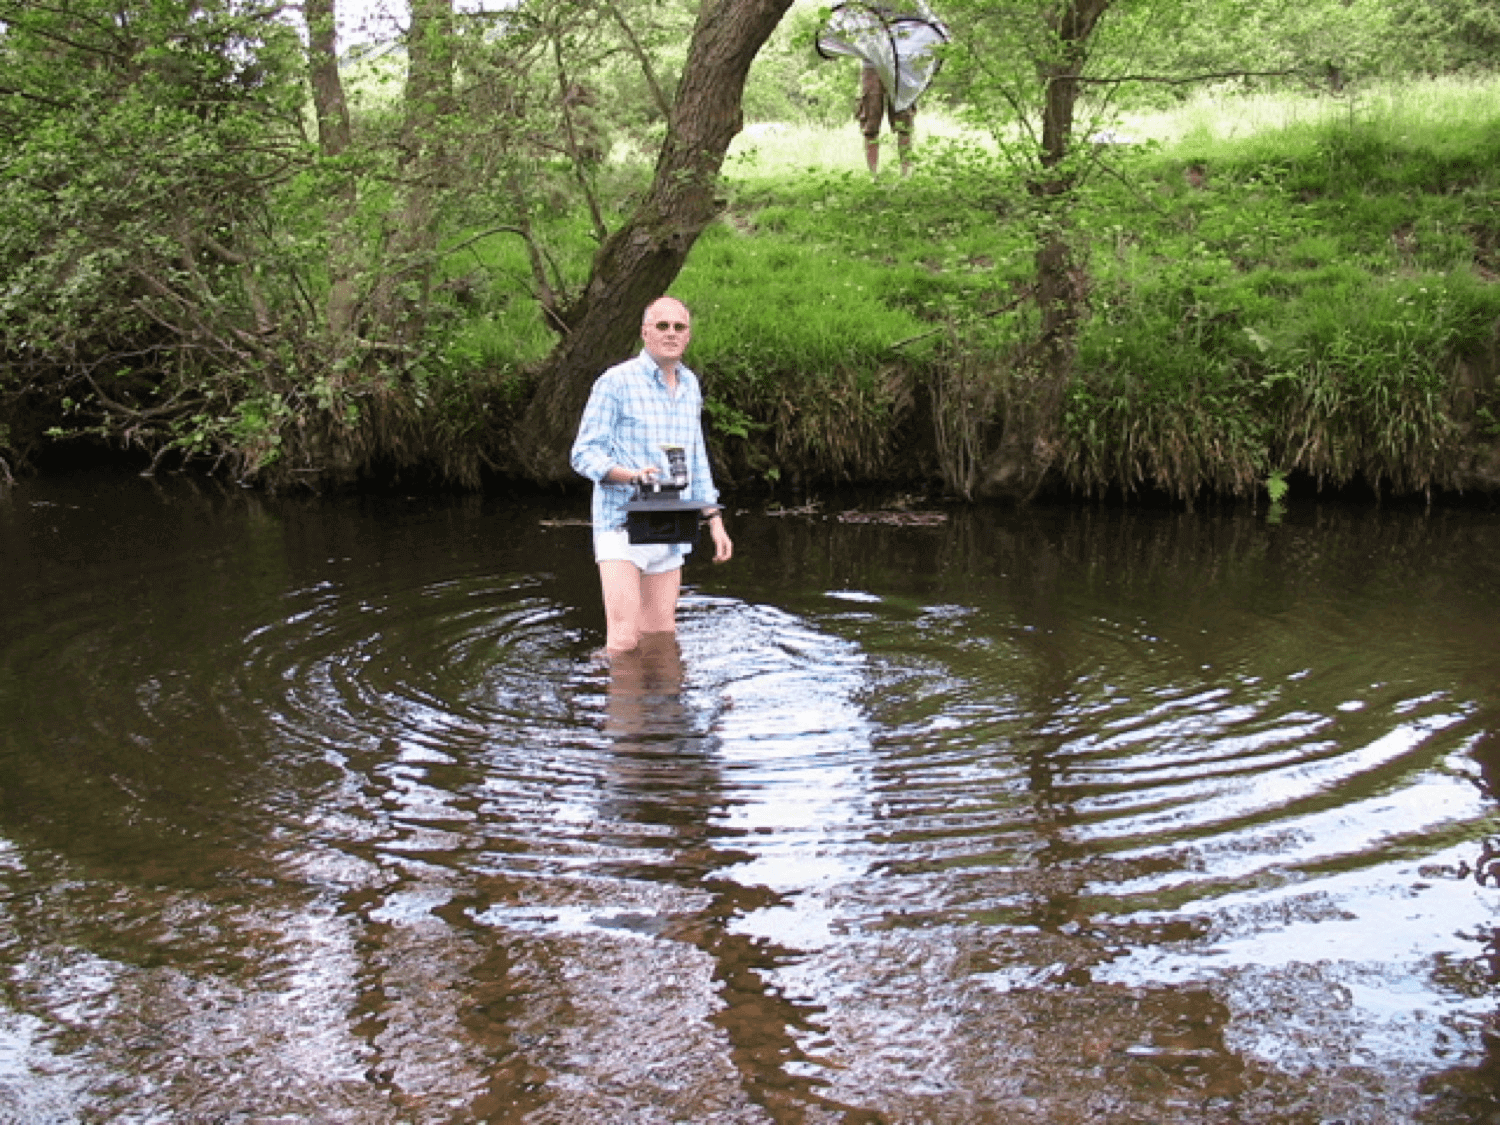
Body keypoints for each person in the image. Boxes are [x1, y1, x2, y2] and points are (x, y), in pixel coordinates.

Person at [570, 296, 733, 654]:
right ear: (645, 332)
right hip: (620, 524)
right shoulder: (615, 382)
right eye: (662, 326)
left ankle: (660, 711)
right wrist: (630, 476)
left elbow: (697, 456)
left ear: (688, 336)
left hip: (671, 522)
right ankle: (616, 705)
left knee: (660, 636)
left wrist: (714, 519)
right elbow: (582, 454)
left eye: (679, 327)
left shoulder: (690, 385)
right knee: (625, 639)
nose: (671, 333)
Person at [858, 60, 915, 177]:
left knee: (904, 123)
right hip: (871, 64)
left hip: (900, 64)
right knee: (870, 124)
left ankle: (906, 175)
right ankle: (873, 176)